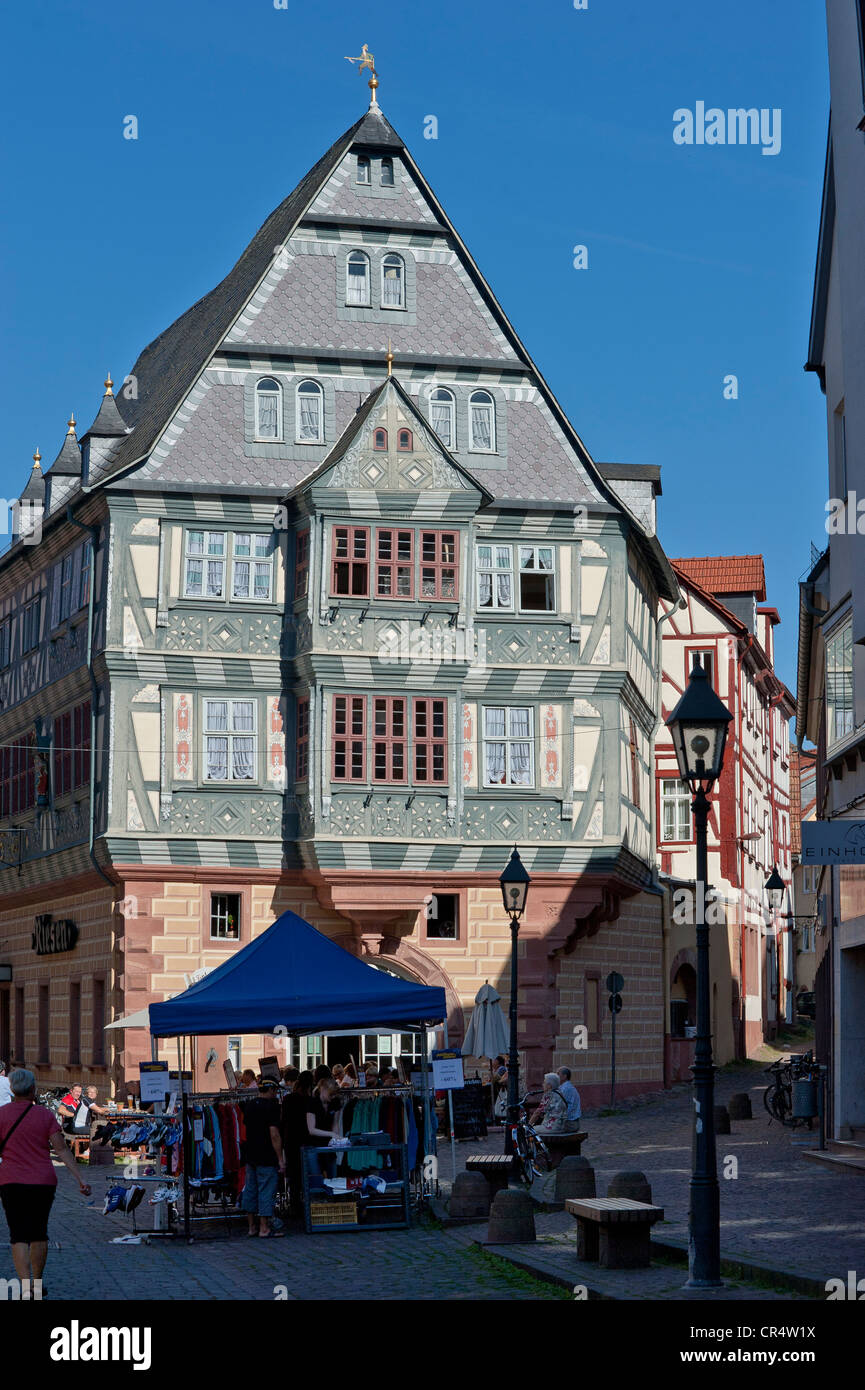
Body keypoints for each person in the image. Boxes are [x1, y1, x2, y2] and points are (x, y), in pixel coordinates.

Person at [0, 1068, 91, 1295]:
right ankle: (37, 1285)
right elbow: (61, 1150)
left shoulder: (2, 1115)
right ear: (33, 1089)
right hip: (42, 1182)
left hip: (11, 1181)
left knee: (18, 1234)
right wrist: (80, 1179)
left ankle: (25, 1286)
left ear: (12, 1089)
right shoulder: (44, 1115)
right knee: (39, 1232)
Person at [239, 1078, 284, 1237]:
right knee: (266, 1190)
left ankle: (252, 1227)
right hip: (266, 1155)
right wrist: (280, 1158)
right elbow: (274, 1135)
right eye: (276, 1091)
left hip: (251, 1155)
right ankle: (264, 1228)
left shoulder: (249, 1105)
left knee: (251, 1190)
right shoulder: (272, 1107)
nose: (276, 1094)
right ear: (271, 1090)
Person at [557, 1067, 581, 1131]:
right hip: (568, 1122)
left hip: (570, 1123)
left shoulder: (566, 1088)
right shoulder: (563, 1087)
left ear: (564, 1076)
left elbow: (560, 1106)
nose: (556, 1076)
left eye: (558, 1074)